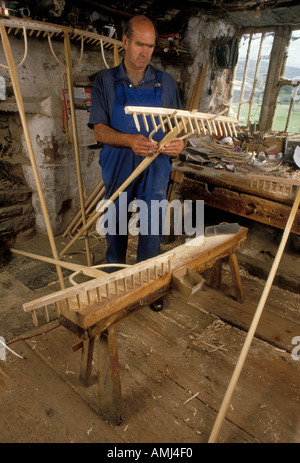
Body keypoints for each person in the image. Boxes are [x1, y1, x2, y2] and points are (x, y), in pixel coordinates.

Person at [88, 15, 184, 311]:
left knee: (152, 221)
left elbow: (179, 127)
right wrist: (129, 140)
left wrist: (179, 144)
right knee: (116, 219)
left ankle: (148, 288)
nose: (145, 52)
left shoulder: (165, 83)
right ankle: (114, 282)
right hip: (119, 160)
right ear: (125, 42)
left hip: (155, 164)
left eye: (150, 46)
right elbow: (99, 129)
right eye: (139, 44)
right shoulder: (105, 81)